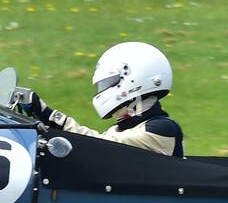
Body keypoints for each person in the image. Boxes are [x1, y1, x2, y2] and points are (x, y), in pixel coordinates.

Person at [17, 41, 184, 157]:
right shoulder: (120, 129)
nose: (103, 90)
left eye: (108, 83)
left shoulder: (162, 129)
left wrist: (50, 115)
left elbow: (100, 146)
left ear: (134, 80)